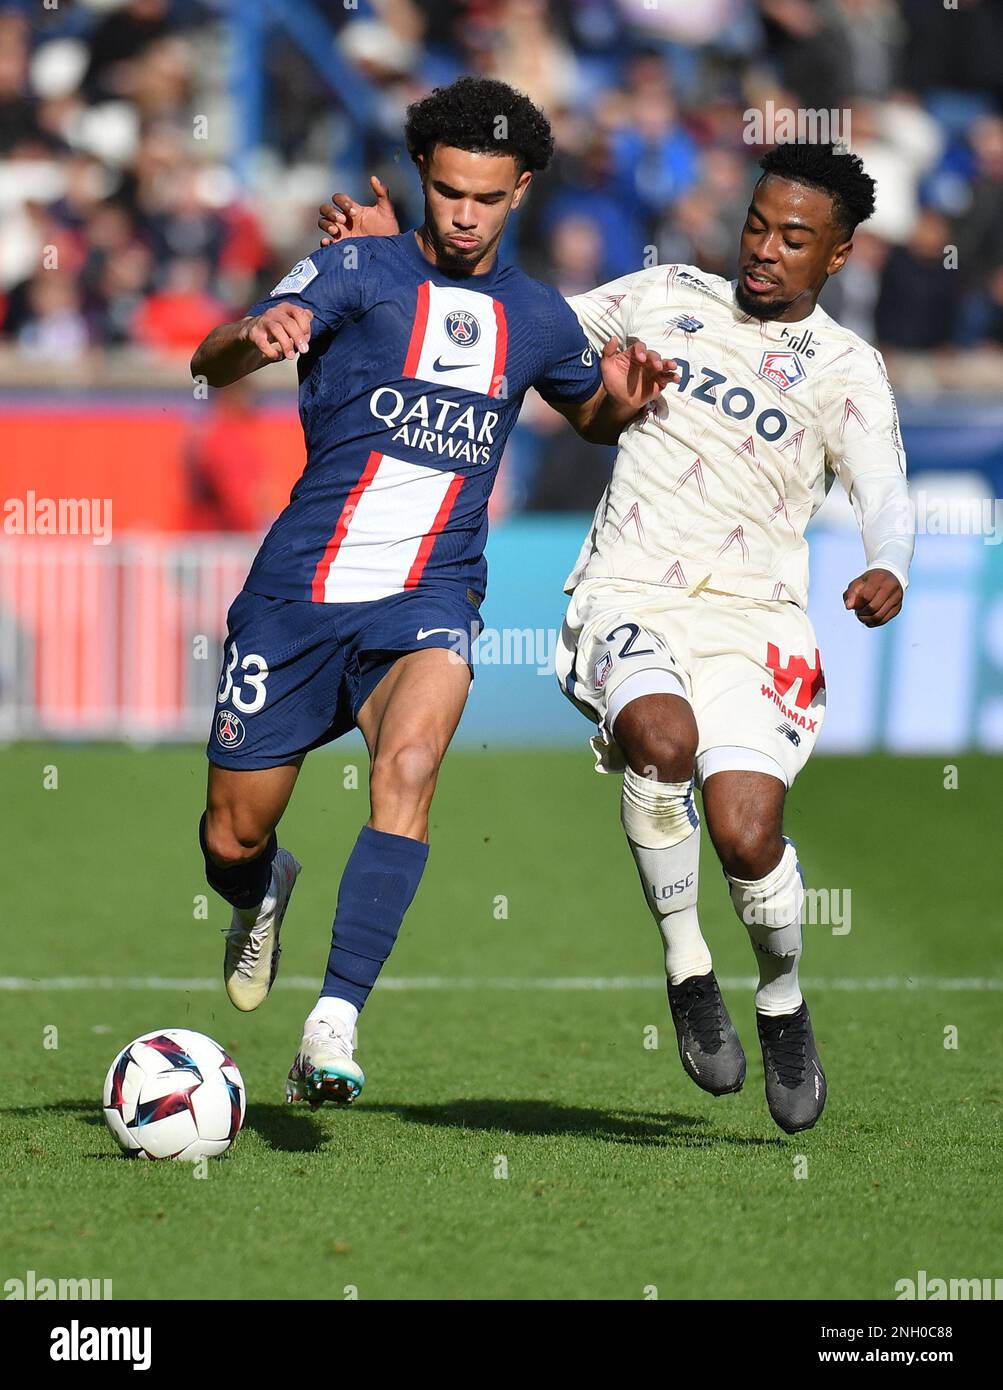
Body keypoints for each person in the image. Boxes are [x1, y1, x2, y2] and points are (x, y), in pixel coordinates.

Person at [318, 139, 915, 1133]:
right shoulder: (668, 291)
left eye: (793, 238)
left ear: (839, 256)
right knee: (659, 742)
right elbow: (521, 318)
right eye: (756, 225)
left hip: (754, 621)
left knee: (744, 832)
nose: (764, 249)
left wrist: (888, 562)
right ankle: (686, 965)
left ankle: (779, 997)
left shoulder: (848, 370)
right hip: (629, 592)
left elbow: (886, 497)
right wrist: (404, 259)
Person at [190, 77, 674, 1109]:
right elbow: (212, 357)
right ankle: (263, 887)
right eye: (449, 191)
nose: (464, 214)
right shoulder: (352, 268)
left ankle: (334, 1021)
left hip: (431, 593)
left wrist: (621, 409)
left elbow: (586, 413)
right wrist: (257, 331)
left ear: (522, 189)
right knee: (231, 833)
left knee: (407, 767)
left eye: (487, 198)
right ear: (422, 175)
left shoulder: (540, 318)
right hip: (298, 596)